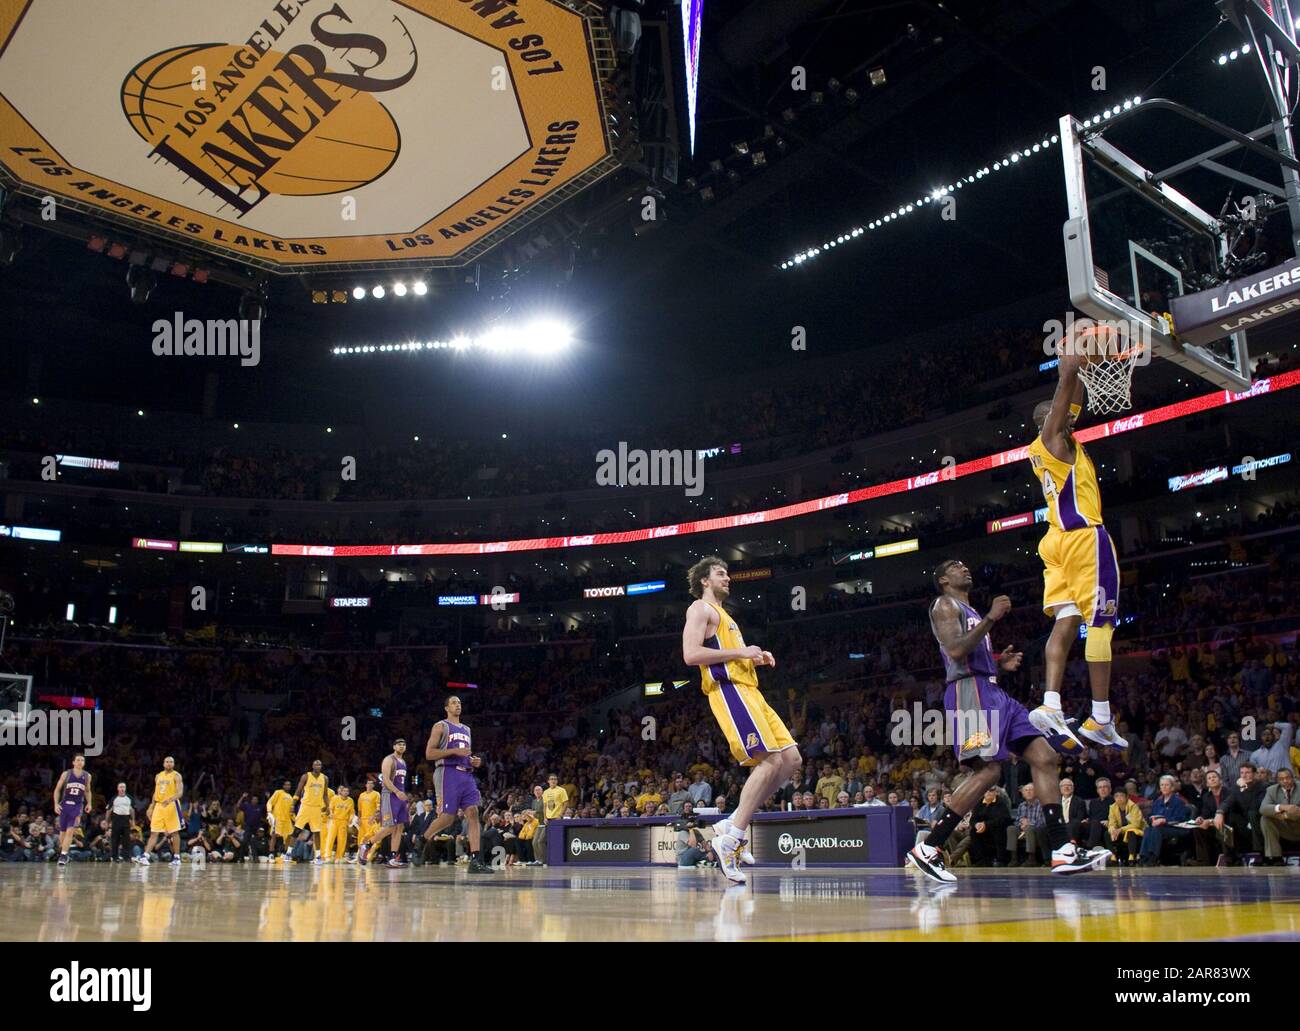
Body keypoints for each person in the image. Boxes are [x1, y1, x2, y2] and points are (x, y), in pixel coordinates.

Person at [906, 559, 1109, 884]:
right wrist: (991, 617)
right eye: (956, 566)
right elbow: (956, 651)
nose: (965, 567)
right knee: (988, 770)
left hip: (993, 690)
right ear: (943, 579)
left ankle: (1061, 848)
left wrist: (998, 662)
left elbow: (970, 653)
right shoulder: (944, 604)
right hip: (970, 693)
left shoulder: (968, 610)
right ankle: (929, 847)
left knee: (1045, 756)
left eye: (965, 564)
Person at [1026, 333, 1128, 750]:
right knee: (1101, 622)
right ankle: (1100, 716)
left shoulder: (1054, 444)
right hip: (1085, 538)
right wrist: (1074, 348)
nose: (1071, 416)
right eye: (1062, 414)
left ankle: (1050, 703)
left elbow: (1076, 393)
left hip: (1056, 542)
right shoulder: (1053, 439)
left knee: (1065, 621)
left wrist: (1092, 361)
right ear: (1048, 420)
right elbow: (1067, 376)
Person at [682, 556, 801, 884]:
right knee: (769, 761)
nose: (728, 578)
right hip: (730, 692)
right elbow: (691, 655)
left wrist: (754, 659)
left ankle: (730, 823)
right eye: (721, 573)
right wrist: (741, 653)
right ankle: (731, 839)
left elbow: (733, 655)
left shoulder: (725, 616)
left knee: (791, 760)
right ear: (705, 580)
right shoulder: (699, 609)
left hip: (750, 690)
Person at [420, 697, 491, 873]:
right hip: (447, 772)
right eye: (453, 703)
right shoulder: (440, 726)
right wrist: (453, 751)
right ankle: (422, 840)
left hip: (466, 774)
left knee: (473, 813)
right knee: (447, 817)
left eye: (459, 703)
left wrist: (473, 761)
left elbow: (465, 754)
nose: (458, 705)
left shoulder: (467, 729)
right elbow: (429, 753)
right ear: (446, 708)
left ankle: (475, 860)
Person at [363, 740, 409, 868]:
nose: (401, 746)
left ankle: (393, 857)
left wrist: (403, 796)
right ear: (394, 746)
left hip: (400, 795)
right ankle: (366, 845)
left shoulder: (403, 762)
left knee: (400, 827)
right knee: (390, 827)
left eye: (404, 744)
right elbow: (386, 779)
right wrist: (397, 791)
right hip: (390, 794)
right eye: (399, 744)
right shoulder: (389, 759)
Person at [137, 756, 184, 866]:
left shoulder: (176, 776)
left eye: (171, 762)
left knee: (174, 832)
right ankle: (145, 856)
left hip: (172, 805)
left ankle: (177, 857)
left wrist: (170, 799)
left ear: (173, 764)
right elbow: (155, 792)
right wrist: (151, 806)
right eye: (167, 762)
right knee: (154, 831)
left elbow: (179, 792)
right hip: (159, 805)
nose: (169, 763)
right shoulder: (158, 776)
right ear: (163, 764)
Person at [1139, 775, 1192, 866]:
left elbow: (1180, 818)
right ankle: (1144, 857)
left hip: (1176, 828)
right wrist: (1151, 819)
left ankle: (1153, 858)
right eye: (1162, 785)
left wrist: (1164, 820)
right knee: (1148, 829)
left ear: (1172, 787)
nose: (1164, 787)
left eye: (1166, 785)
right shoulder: (1157, 802)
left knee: (1157, 830)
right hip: (1161, 828)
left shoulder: (1178, 801)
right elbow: (1151, 815)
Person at [51, 755, 91, 867]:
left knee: (70, 831)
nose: (80, 762)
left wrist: (89, 803)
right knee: (62, 832)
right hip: (64, 805)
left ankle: (63, 855)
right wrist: (55, 804)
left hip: (77, 806)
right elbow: (57, 790)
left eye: (82, 760)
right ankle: (64, 853)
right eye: (78, 760)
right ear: (73, 762)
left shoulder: (87, 776)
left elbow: (88, 791)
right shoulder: (66, 774)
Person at [1259, 767, 1300, 865]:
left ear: (1293, 777)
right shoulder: (1271, 790)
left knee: (1295, 810)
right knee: (1265, 818)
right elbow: (1263, 809)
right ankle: (1275, 857)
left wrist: (1285, 815)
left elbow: (1296, 811)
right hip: (1285, 829)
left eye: (1288, 777)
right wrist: (1281, 807)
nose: (1285, 781)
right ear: (1277, 781)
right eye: (1281, 779)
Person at [292, 760, 330, 864]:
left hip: (316, 808)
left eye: (320, 764)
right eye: (316, 764)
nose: (318, 766)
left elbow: (325, 794)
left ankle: (318, 857)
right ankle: (288, 853)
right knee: (297, 830)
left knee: (316, 832)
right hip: (305, 806)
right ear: (312, 766)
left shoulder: (325, 778)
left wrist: (328, 806)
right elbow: (298, 791)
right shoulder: (306, 776)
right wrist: (293, 804)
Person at [1107, 788, 1145, 865]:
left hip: (1137, 832)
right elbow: (1111, 823)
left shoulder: (1133, 806)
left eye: (1121, 796)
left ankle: (1131, 856)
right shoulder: (1112, 807)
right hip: (1121, 833)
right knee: (1107, 833)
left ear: (1127, 797)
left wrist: (1120, 829)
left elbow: (1136, 824)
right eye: (1116, 796)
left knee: (1131, 831)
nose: (1119, 798)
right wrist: (1113, 830)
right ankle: (1113, 855)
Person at [322, 784, 354, 863]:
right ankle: (327, 856)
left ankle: (339, 857)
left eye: (347, 791)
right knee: (330, 838)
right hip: (334, 821)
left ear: (348, 793)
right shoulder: (335, 798)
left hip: (343, 822)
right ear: (341, 792)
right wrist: (331, 813)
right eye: (344, 791)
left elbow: (352, 812)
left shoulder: (350, 800)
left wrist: (351, 818)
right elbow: (330, 808)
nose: (345, 792)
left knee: (342, 840)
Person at [266, 780, 294, 861]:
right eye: (286, 784)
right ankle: (271, 854)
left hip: (287, 820)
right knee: (274, 836)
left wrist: (296, 820)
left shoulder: (291, 797)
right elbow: (270, 802)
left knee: (289, 836)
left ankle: (284, 854)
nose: (288, 786)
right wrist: (269, 812)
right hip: (278, 819)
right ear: (283, 786)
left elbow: (291, 812)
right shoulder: (278, 792)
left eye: (289, 785)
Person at [355, 777, 380, 865]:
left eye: (371, 783)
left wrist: (373, 817)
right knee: (361, 839)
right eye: (368, 783)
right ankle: (359, 856)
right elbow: (359, 809)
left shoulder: (376, 794)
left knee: (369, 839)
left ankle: (367, 857)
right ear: (365, 785)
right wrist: (358, 818)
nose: (369, 785)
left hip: (371, 820)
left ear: (373, 785)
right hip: (362, 820)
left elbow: (378, 808)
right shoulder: (362, 795)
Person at [109, 782, 134, 862]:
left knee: (126, 839)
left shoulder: (129, 798)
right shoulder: (114, 798)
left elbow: (132, 809)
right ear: (117, 788)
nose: (122, 789)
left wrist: (133, 820)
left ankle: (127, 857)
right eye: (120, 787)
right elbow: (109, 810)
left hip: (126, 819)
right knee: (115, 839)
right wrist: (107, 821)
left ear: (125, 788)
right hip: (116, 819)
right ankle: (115, 857)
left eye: (123, 787)